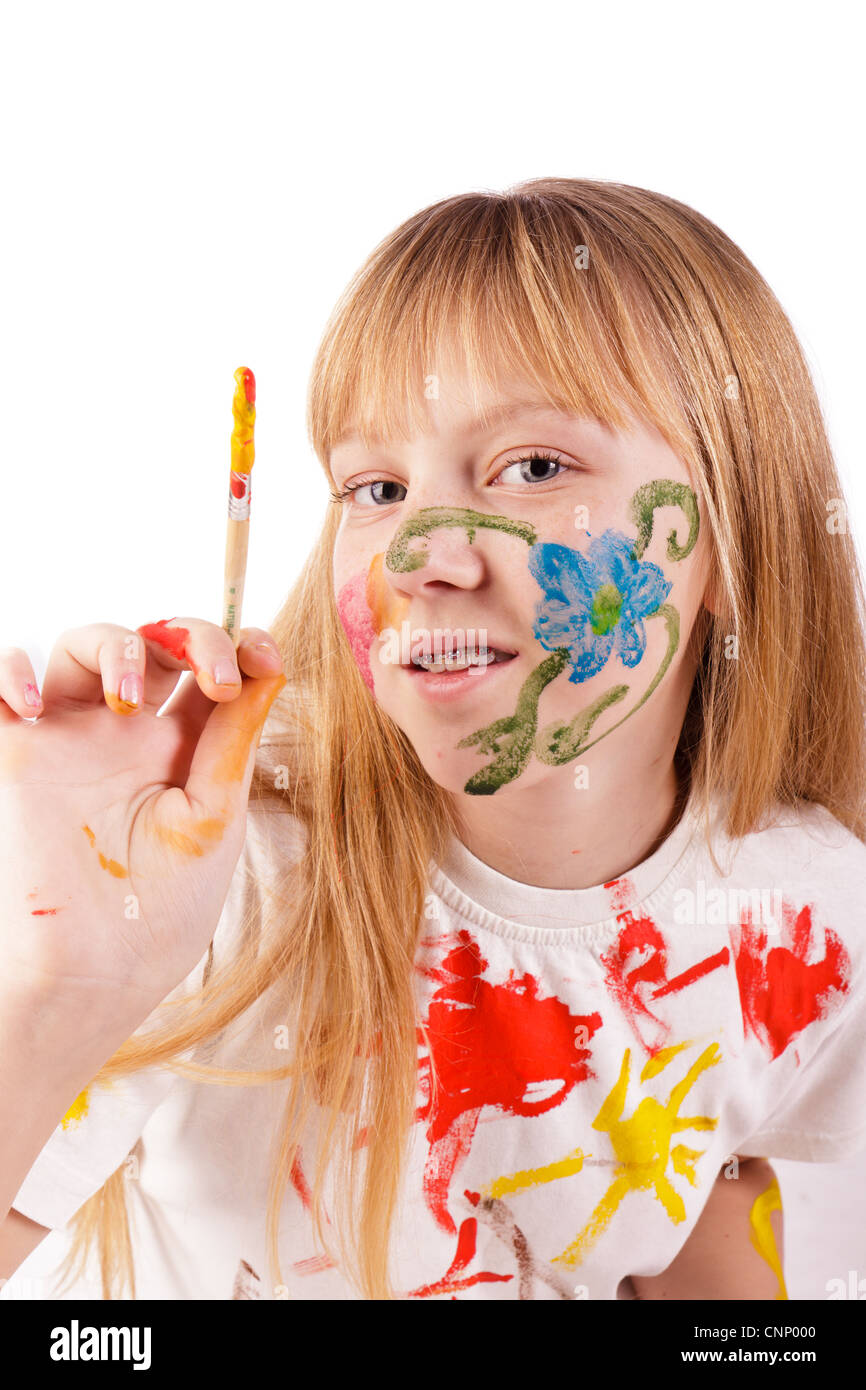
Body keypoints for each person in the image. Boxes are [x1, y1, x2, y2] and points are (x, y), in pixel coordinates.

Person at [2, 178, 865, 1302]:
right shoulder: (216, 863)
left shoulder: (799, 916)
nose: (418, 555)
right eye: (377, 486)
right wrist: (69, 973)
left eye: (533, 466)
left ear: (725, 531)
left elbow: (704, 1224)